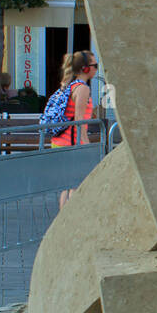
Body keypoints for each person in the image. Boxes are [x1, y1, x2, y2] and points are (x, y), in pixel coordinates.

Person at [53, 50, 98, 209]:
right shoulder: (83, 89)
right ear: (86, 69)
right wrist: (86, 145)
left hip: (61, 142)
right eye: (95, 65)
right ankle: (68, 222)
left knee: (67, 186)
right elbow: (79, 121)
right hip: (72, 143)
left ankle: (62, 223)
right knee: (76, 186)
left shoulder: (70, 85)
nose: (96, 69)